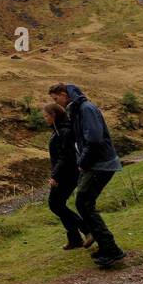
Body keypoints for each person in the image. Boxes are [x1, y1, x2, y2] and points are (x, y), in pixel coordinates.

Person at [48, 83, 125, 267]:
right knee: (84, 203)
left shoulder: (85, 109)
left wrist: (82, 162)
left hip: (100, 164)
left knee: (84, 203)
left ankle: (111, 249)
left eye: (56, 99)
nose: (56, 103)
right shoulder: (78, 109)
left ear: (63, 94)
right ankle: (106, 246)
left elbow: (94, 139)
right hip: (96, 163)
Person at [44, 101, 90, 250]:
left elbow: (65, 157)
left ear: (54, 115)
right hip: (66, 173)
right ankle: (75, 238)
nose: (45, 119)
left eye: (46, 116)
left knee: (55, 204)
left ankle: (86, 229)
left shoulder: (64, 131)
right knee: (58, 204)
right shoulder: (59, 129)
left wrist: (55, 176)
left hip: (68, 174)